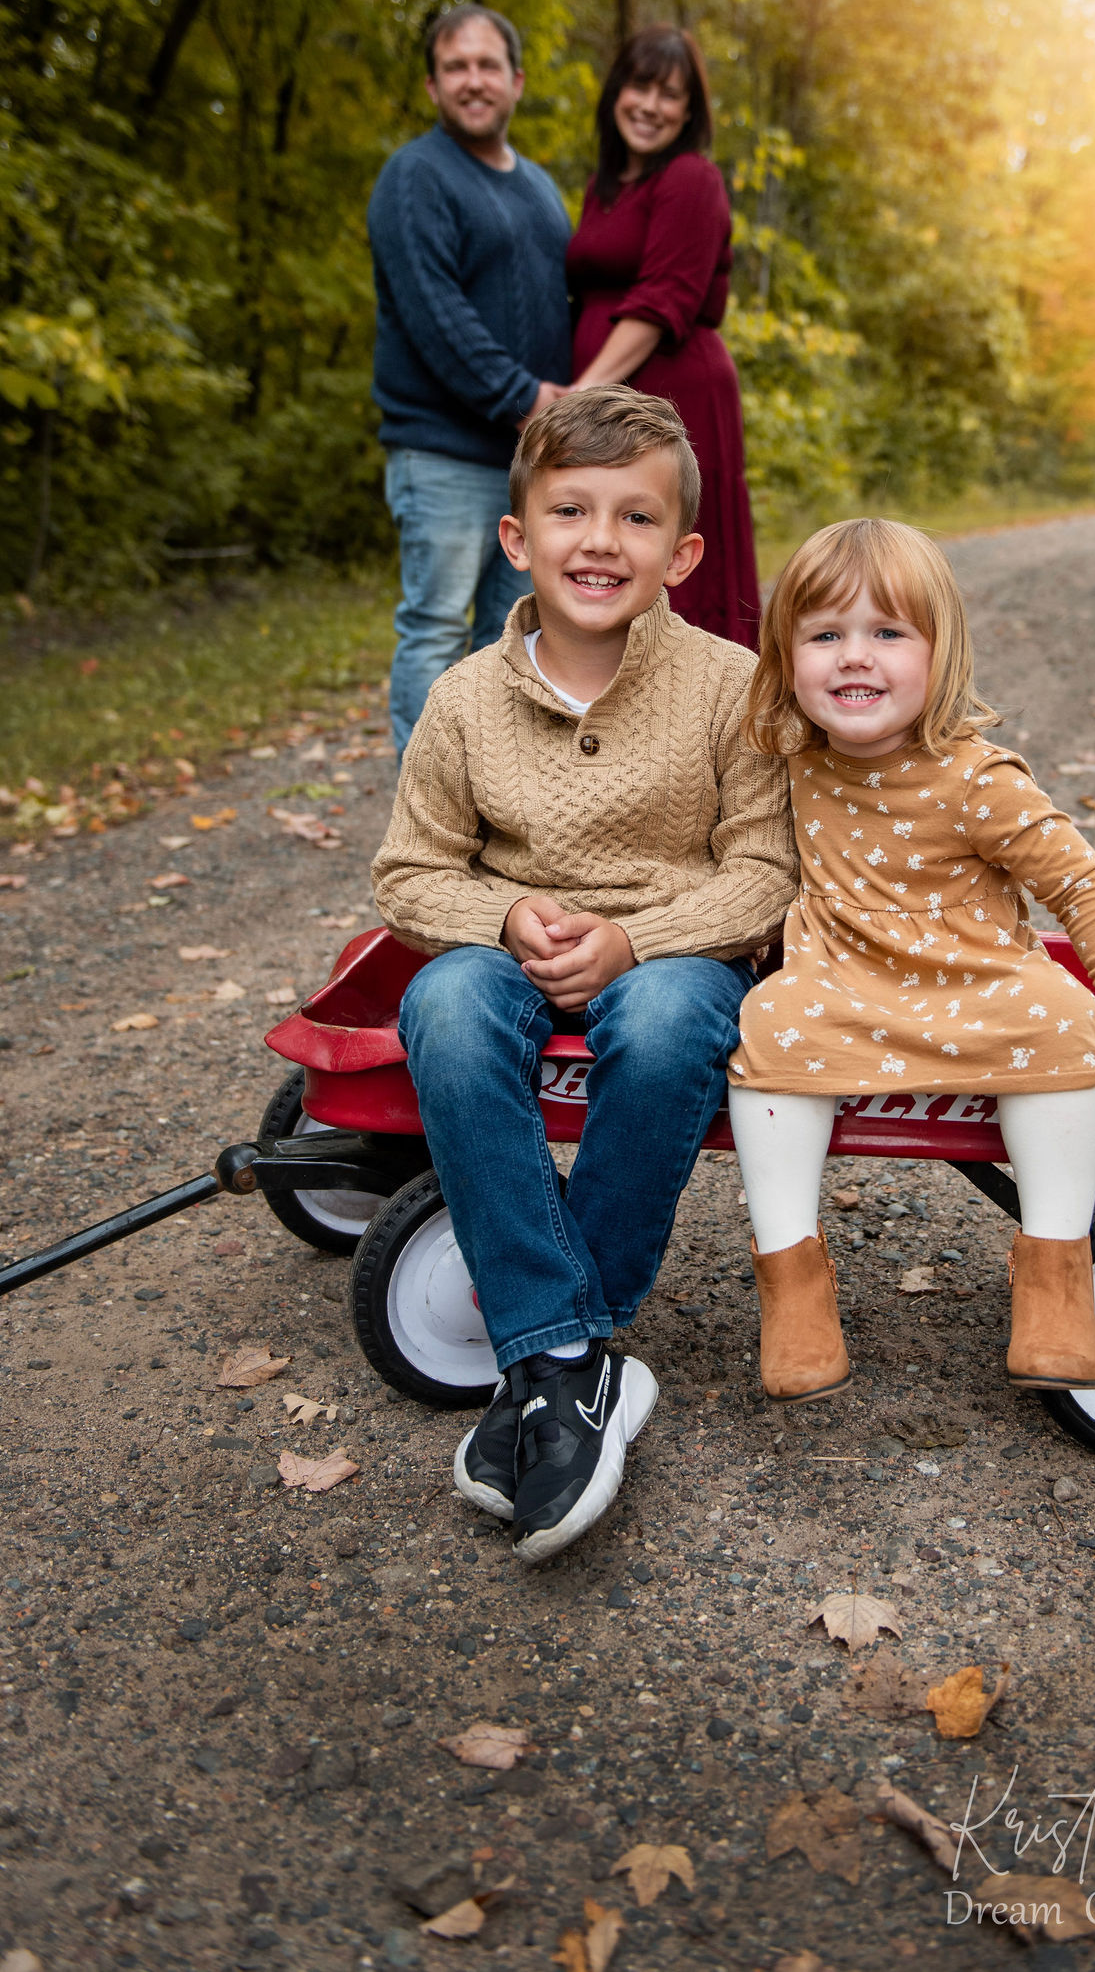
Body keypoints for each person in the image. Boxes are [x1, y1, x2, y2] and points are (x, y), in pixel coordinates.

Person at [370, 388, 797, 1564]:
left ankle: (550, 1356)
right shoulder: (463, 701)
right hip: (511, 949)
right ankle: (576, 1364)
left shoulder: (727, 685)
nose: (600, 541)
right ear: (518, 539)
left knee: (668, 1025)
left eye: (636, 518)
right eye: (569, 510)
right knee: (445, 1006)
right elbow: (408, 876)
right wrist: (506, 915)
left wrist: (638, 938)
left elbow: (764, 869)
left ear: (683, 552)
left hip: (670, 949)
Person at [724, 518, 1095, 1405]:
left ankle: (1055, 1270)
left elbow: (1086, 889)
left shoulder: (977, 777)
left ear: (939, 655)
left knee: (1062, 1019)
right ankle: (792, 1279)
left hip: (978, 980)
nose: (854, 658)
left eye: (888, 633)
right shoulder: (785, 764)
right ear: (786, 656)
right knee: (769, 1025)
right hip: (841, 982)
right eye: (825, 635)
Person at [369, 4, 572, 755]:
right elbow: (434, 313)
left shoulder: (541, 188)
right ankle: (424, 833)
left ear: (516, 82)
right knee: (434, 628)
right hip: (444, 454)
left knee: (514, 639)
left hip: (531, 460)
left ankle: (495, 816)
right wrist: (524, 398)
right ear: (432, 85)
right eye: (457, 67)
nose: (473, 81)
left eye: (488, 66)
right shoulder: (415, 176)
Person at [565, 25, 761, 650]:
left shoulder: (691, 179)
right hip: (611, 398)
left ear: (689, 112)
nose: (650, 105)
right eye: (639, 86)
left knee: (674, 556)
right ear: (615, 92)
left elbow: (661, 302)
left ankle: (709, 726)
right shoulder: (604, 188)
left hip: (674, 390)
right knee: (611, 551)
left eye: (670, 95)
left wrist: (575, 400)